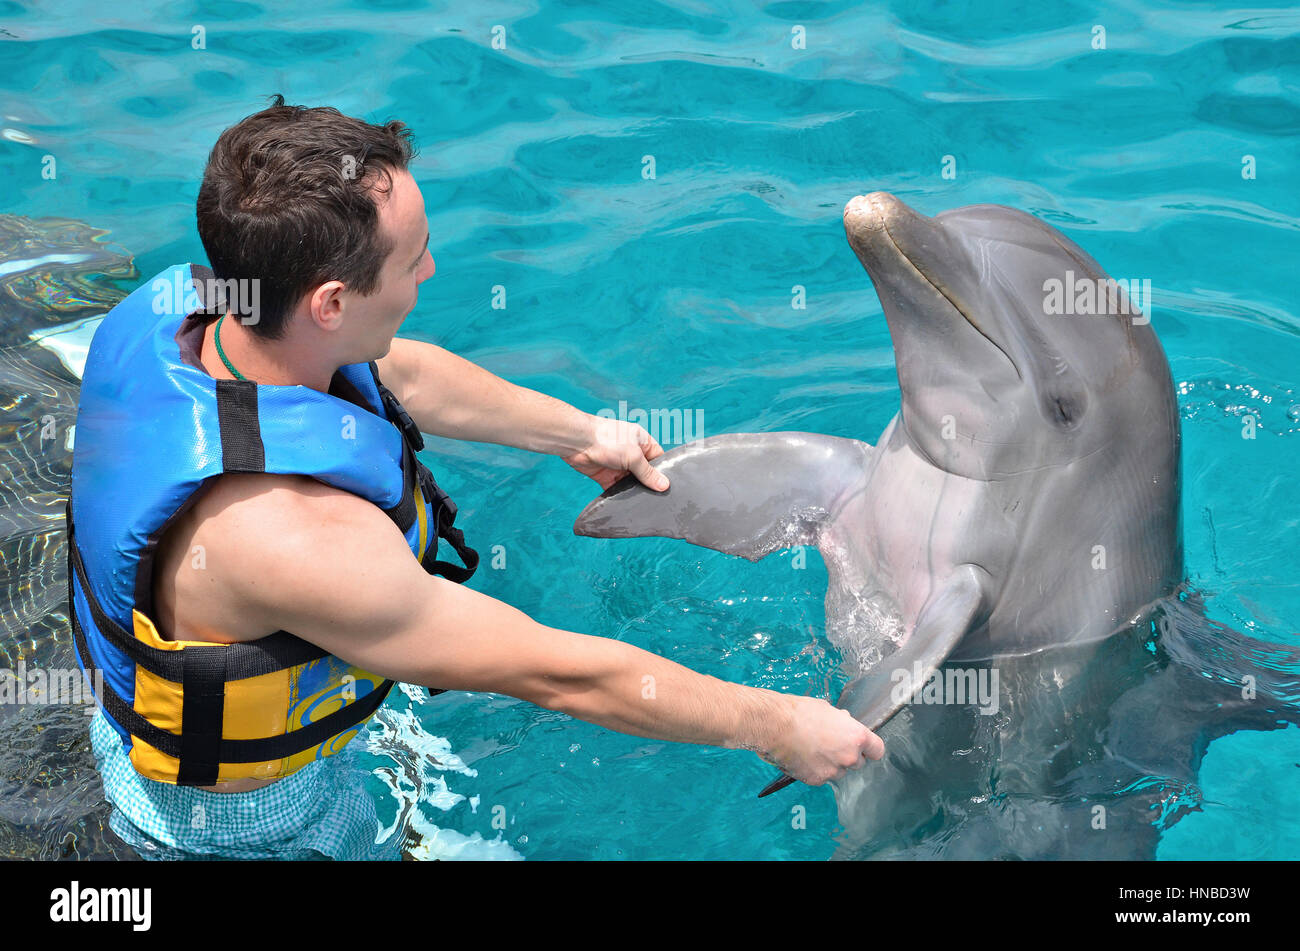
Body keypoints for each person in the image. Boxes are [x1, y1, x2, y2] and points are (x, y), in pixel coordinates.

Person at [70, 97, 883, 860]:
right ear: (328, 303)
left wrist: (581, 431)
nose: (431, 269)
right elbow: (557, 672)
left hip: (185, 709)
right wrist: (775, 722)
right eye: (412, 257)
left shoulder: (191, 310)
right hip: (251, 821)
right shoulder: (291, 538)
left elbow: (404, 377)